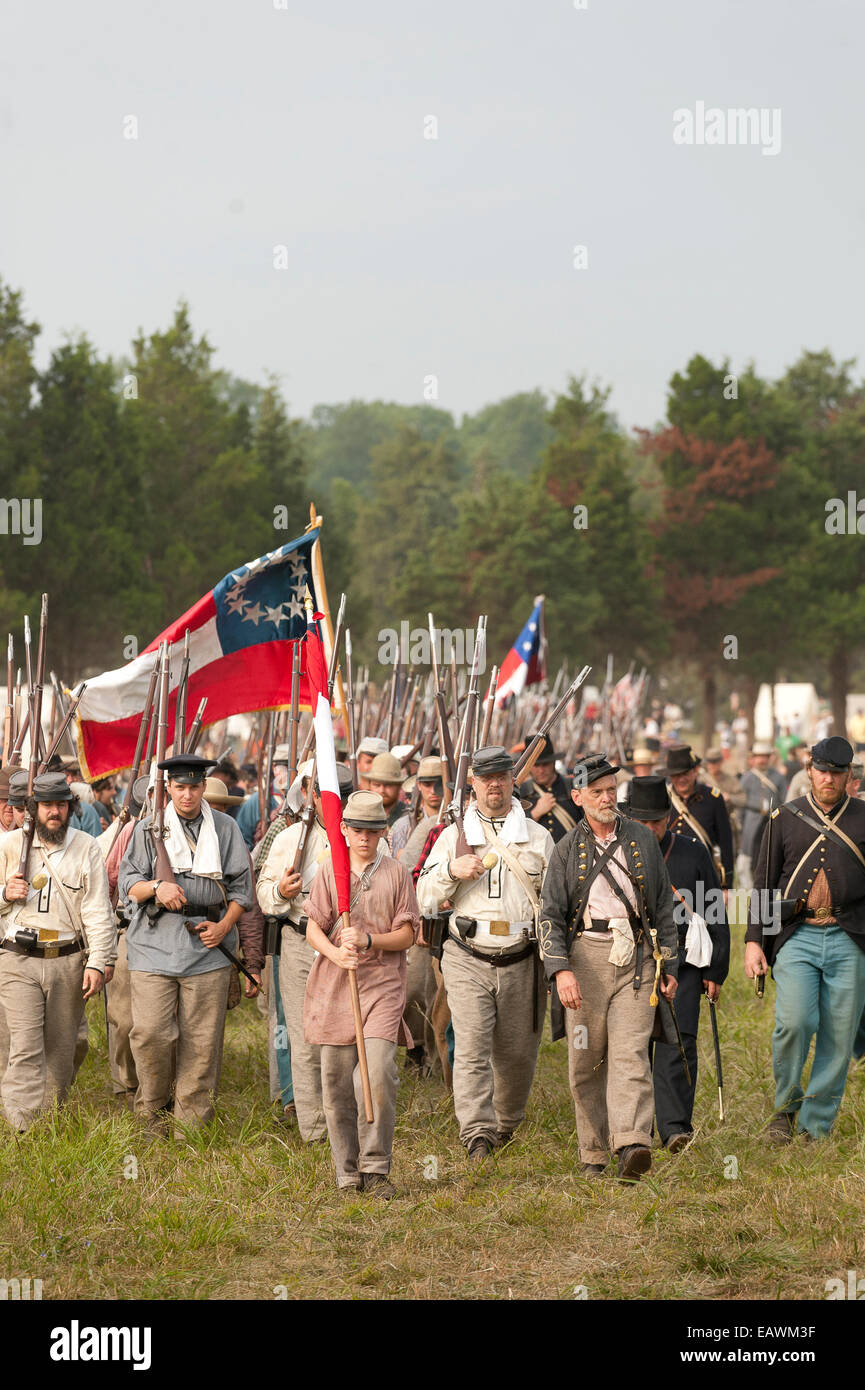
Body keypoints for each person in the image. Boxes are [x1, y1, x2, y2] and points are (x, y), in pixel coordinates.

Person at [538, 753, 679, 1182]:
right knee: (585, 1060)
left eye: (611, 790)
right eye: (597, 791)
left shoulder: (642, 839)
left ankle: (632, 1143)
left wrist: (668, 961)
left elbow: (662, 906)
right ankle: (594, 1152)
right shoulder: (565, 850)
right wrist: (561, 970)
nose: (606, 798)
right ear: (577, 796)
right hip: (585, 962)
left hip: (636, 960)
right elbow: (550, 916)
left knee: (631, 1053)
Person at [417, 745, 553, 1160]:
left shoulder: (539, 838)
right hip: (467, 953)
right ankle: (476, 1132)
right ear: (472, 784)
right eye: (485, 778)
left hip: (522, 955)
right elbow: (422, 897)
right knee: (472, 1046)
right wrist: (449, 871)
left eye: (502, 777)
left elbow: (556, 903)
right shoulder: (450, 838)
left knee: (516, 1053)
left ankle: (506, 1123)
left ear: (514, 781)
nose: (495, 784)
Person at [118, 753, 255, 1131]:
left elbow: (243, 890)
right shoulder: (149, 828)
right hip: (153, 943)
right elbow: (128, 883)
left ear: (203, 788)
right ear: (169, 789)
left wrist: (225, 926)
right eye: (180, 788)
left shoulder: (224, 829)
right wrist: (158, 887)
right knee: (150, 1034)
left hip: (207, 947)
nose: (188, 795)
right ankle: (151, 1109)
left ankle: (190, 1124)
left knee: (202, 1042)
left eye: (195, 787)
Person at [745, 737, 865, 1140]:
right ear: (809, 771)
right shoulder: (784, 817)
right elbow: (763, 884)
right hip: (797, 936)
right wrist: (754, 942)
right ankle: (784, 1111)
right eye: (822, 771)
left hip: (850, 938)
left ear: (850, 776)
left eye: (836, 772)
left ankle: (816, 1125)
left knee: (839, 1033)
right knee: (794, 1022)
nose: (828, 779)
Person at [304, 790, 420, 1198]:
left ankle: (375, 1167)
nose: (364, 838)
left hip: (383, 986)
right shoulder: (328, 872)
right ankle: (346, 1172)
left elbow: (408, 934)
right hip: (335, 985)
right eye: (356, 830)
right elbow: (312, 927)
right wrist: (336, 952)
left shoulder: (396, 873)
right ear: (344, 830)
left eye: (372, 830)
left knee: (377, 1074)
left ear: (382, 831)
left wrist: (370, 939)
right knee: (336, 1082)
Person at [0, 771, 115, 1131]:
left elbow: (97, 909)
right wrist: (6, 894)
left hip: (67, 959)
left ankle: (48, 1122)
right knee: (25, 1045)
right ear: (34, 808)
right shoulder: (8, 846)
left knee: (61, 1050)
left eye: (61, 806)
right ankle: (21, 1127)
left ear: (70, 808)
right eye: (48, 805)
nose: (55, 812)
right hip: (18, 957)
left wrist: (98, 961)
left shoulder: (86, 847)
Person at [625, 776, 729, 1152]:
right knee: (631, 1047)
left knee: (679, 1042)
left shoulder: (692, 851)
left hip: (683, 964)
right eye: (643, 821)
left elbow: (714, 909)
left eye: (657, 820)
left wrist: (715, 969)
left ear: (669, 818)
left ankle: (675, 1129)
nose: (650, 828)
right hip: (628, 963)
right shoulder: (616, 851)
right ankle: (634, 1132)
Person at [256, 761, 354, 1141]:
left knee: (345, 1038)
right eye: (325, 795)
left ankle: (347, 1122)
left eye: (340, 797)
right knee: (303, 1037)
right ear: (312, 796)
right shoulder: (288, 838)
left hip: (347, 945)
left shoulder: (362, 837)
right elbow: (263, 895)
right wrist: (282, 891)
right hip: (299, 942)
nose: (333, 803)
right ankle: (314, 1129)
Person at [665, 745, 734, 890]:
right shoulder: (663, 798)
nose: (681, 779)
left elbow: (725, 842)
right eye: (676, 775)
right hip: (670, 879)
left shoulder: (713, 798)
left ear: (695, 771)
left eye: (685, 773)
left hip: (703, 877)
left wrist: (726, 884)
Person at [739, 743, 786, 888]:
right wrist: (742, 824)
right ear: (753, 758)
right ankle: (747, 890)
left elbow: (784, 800)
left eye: (765, 757)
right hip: (752, 823)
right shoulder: (747, 777)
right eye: (759, 757)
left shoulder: (778, 777)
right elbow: (741, 803)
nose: (762, 760)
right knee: (747, 860)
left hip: (772, 822)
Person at [520, 734, 578, 843]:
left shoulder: (572, 788)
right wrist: (534, 814)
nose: (541, 770)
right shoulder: (521, 792)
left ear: (554, 762)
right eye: (536, 765)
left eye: (545, 764)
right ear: (529, 766)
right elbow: (512, 830)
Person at [366, 752, 412, 856]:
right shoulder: (362, 814)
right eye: (377, 785)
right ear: (369, 785)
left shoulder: (409, 817)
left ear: (399, 786)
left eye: (388, 785)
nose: (382, 790)